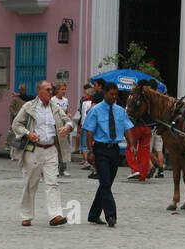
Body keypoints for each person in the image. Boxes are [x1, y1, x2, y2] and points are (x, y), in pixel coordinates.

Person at [11, 80, 73, 226]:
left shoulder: (55, 107)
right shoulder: (29, 107)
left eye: (52, 90)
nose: (51, 92)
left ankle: (55, 215)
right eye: (48, 90)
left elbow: (69, 121)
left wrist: (67, 128)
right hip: (34, 149)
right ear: (39, 91)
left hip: (51, 149)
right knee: (30, 183)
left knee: (53, 183)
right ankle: (26, 215)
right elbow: (16, 124)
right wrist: (28, 133)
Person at [82, 82, 134, 227]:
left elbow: (127, 127)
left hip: (114, 150)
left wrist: (131, 145)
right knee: (105, 182)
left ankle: (93, 215)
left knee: (107, 183)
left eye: (116, 94)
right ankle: (111, 215)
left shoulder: (120, 111)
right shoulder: (96, 110)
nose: (114, 96)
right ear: (105, 93)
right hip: (100, 149)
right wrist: (90, 151)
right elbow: (89, 131)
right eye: (111, 94)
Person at [125, 80, 153, 182]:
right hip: (148, 127)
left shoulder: (136, 95)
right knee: (145, 151)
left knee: (130, 147)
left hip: (136, 126)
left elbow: (129, 109)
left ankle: (135, 169)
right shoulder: (152, 97)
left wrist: (132, 91)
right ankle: (143, 174)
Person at [54, 81, 71, 176]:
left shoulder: (65, 100)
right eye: (62, 89)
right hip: (56, 126)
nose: (64, 91)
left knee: (64, 147)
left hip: (64, 126)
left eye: (65, 89)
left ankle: (63, 168)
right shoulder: (53, 100)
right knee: (56, 148)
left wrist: (68, 114)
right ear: (57, 90)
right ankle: (55, 168)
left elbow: (66, 111)